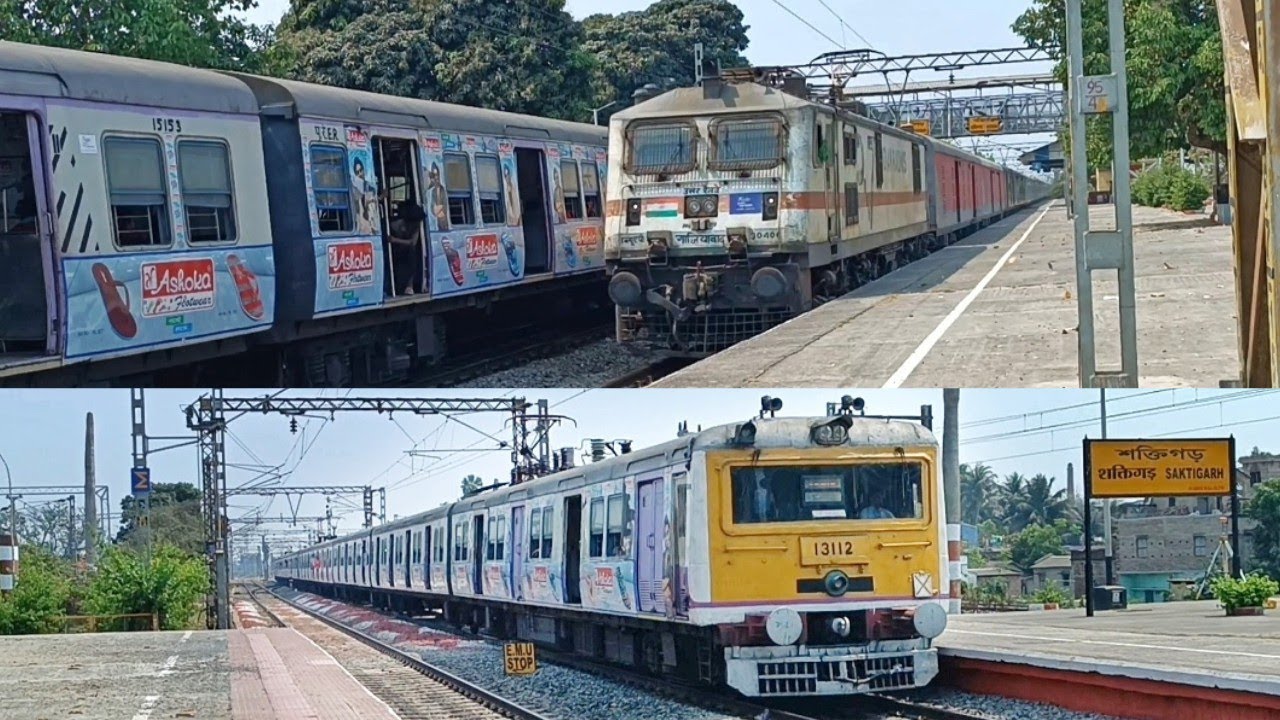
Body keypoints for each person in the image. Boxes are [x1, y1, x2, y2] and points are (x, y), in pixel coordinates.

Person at [387, 202, 426, 296]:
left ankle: (409, 285)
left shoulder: (416, 227)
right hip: (396, 250)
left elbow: (413, 242)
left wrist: (395, 240)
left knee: (412, 255)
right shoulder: (396, 224)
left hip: (405, 249)